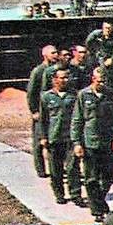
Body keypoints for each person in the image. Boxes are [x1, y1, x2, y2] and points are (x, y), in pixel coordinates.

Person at [71, 67, 113, 218]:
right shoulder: (83, 95)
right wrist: (77, 142)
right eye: (99, 80)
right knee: (91, 178)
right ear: (93, 79)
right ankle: (98, 210)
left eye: (104, 81)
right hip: (90, 142)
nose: (102, 83)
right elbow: (77, 120)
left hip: (107, 142)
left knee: (109, 174)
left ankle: (99, 202)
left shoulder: (109, 95)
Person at [40, 68, 80, 205]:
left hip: (70, 137)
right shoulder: (46, 97)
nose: (65, 80)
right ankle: (59, 194)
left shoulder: (74, 96)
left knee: (72, 168)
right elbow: (43, 119)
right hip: (54, 137)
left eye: (66, 77)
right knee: (55, 170)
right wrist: (43, 138)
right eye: (62, 78)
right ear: (54, 80)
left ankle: (75, 195)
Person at [26, 44, 59, 178]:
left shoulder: (55, 70)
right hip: (40, 109)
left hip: (53, 109)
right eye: (53, 53)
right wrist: (34, 110)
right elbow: (31, 92)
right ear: (45, 55)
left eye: (56, 53)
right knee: (39, 140)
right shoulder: (38, 71)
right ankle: (40, 169)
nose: (55, 55)